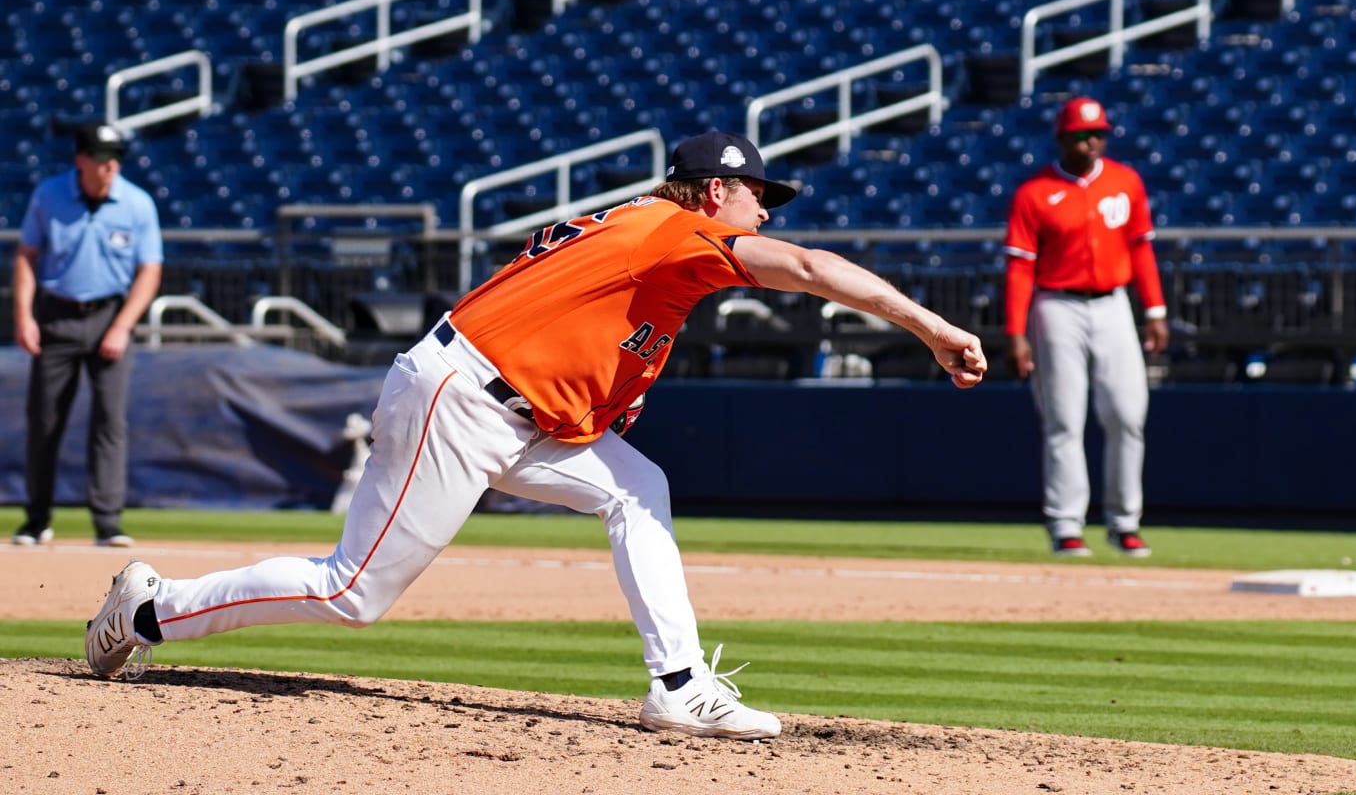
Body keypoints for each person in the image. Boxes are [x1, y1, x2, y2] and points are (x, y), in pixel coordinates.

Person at [86, 131, 987, 741]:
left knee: (639, 488)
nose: (767, 211)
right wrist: (931, 327)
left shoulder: (644, 242)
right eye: (758, 195)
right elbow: (812, 269)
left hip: (513, 409)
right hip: (461, 401)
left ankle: (678, 687)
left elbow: (582, 337)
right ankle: (149, 608)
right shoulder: (674, 231)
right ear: (715, 190)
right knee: (352, 592)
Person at [1003, 97, 1168, 558]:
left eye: (1098, 133)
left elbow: (1141, 249)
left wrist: (1155, 310)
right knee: (1063, 419)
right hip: (1057, 305)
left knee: (1128, 415)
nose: (1091, 141)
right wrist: (1015, 332)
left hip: (1114, 303)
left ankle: (1124, 522)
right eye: (1081, 134)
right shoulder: (1035, 192)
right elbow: (1019, 267)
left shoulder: (1124, 181)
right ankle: (1065, 524)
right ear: (1063, 137)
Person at [12, 123, 163, 548]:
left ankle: (108, 521)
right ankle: (36, 519)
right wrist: (24, 316)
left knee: (109, 420)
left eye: (116, 157)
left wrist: (122, 325)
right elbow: (27, 256)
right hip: (57, 315)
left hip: (111, 315)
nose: (110, 165)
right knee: (44, 419)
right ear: (81, 160)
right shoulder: (50, 196)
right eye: (101, 157)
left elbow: (150, 270)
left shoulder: (137, 203)